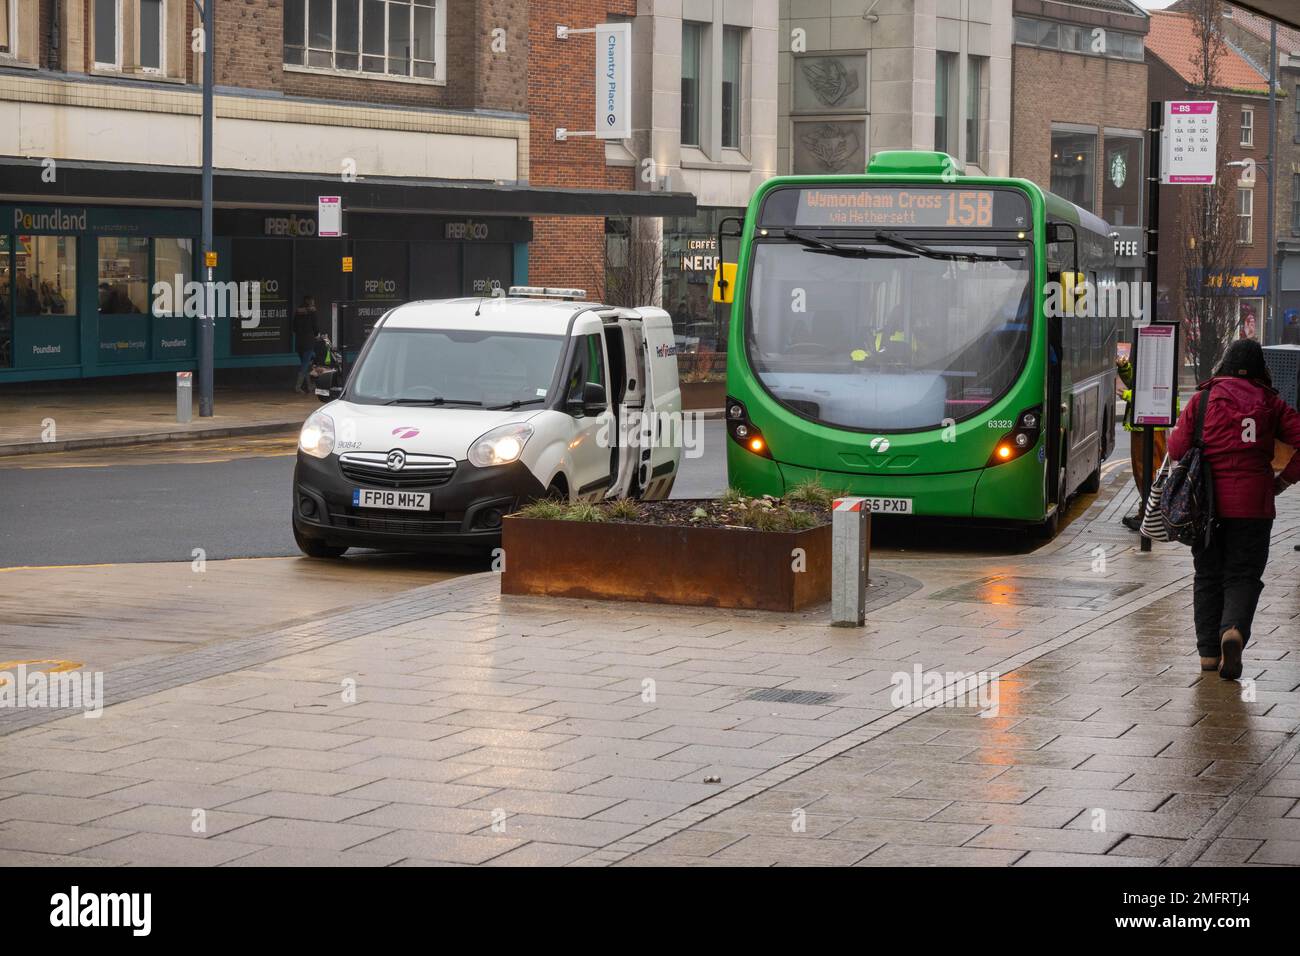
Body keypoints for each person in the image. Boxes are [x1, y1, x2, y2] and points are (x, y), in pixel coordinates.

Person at [1167, 339, 1300, 680]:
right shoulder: (1271, 402)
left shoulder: (1203, 399)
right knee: (1243, 574)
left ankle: (1208, 655)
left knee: (1207, 575)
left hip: (1207, 505)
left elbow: (1178, 447)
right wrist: (1283, 480)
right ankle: (1234, 631)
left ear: (1224, 364)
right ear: (1261, 369)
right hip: (1255, 507)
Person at [1116, 355, 1173, 531]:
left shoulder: (1158, 369)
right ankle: (1147, 512)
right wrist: (1125, 368)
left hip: (1149, 428)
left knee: (1147, 472)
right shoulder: (1153, 365)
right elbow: (1137, 383)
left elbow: (1148, 394)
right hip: (1146, 427)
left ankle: (1150, 515)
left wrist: (1126, 394)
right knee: (1144, 472)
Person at [292, 295, 319, 394]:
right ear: (309, 301)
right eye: (313, 301)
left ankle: (309, 386)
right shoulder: (312, 312)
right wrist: (316, 334)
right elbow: (315, 327)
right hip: (308, 342)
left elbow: (294, 327)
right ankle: (298, 387)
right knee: (305, 364)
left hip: (299, 342)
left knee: (306, 363)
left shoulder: (298, 312)